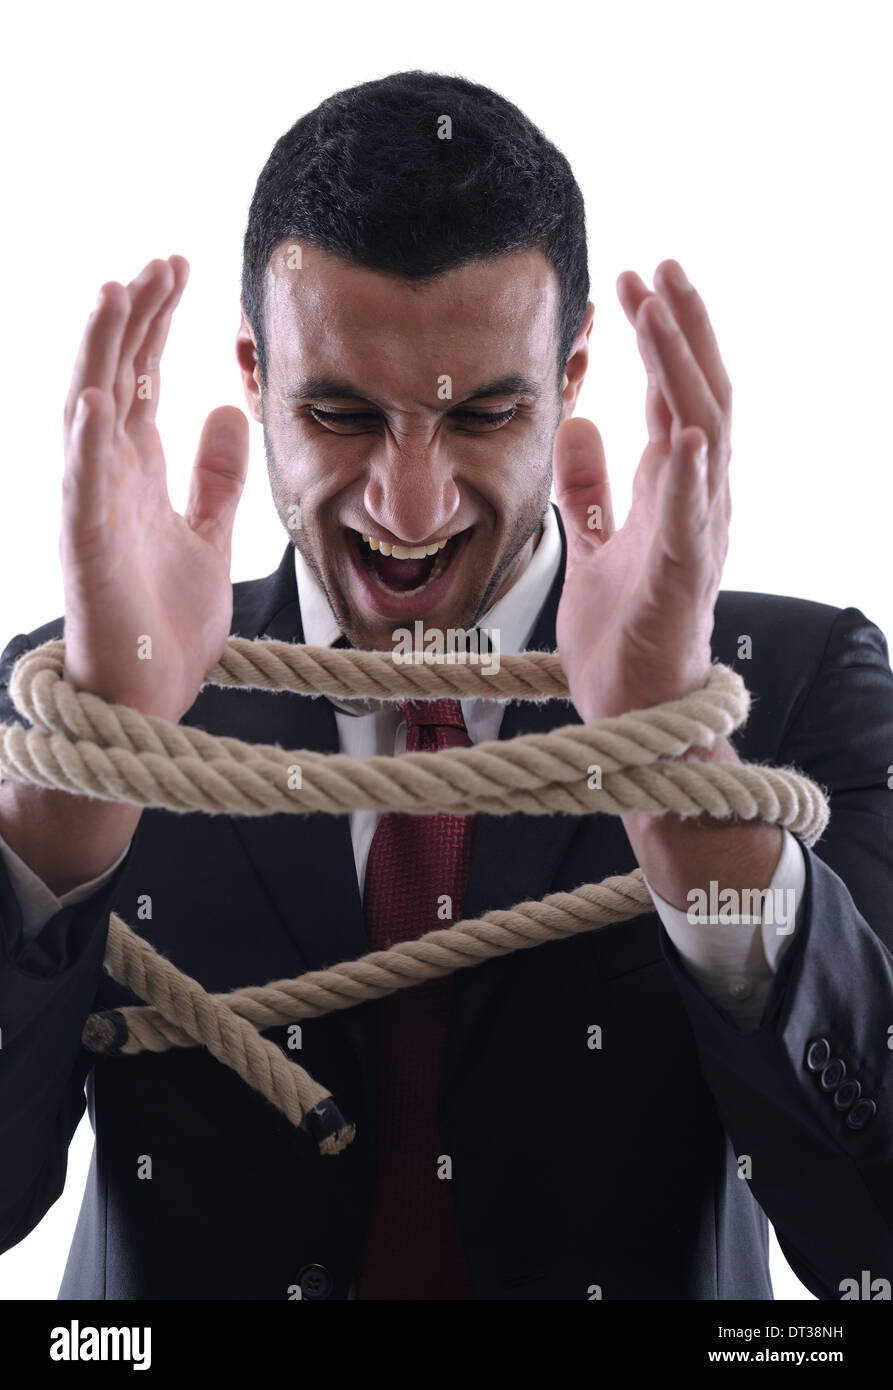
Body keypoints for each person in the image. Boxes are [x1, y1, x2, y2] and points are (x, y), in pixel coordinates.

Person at [0, 70, 891, 1302]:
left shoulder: (785, 693)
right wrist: (80, 787)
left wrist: (681, 781)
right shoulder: (80, 701)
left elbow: (871, 1242)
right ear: (253, 378)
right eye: (337, 413)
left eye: (482, 413)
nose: (407, 508)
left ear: (572, 376)